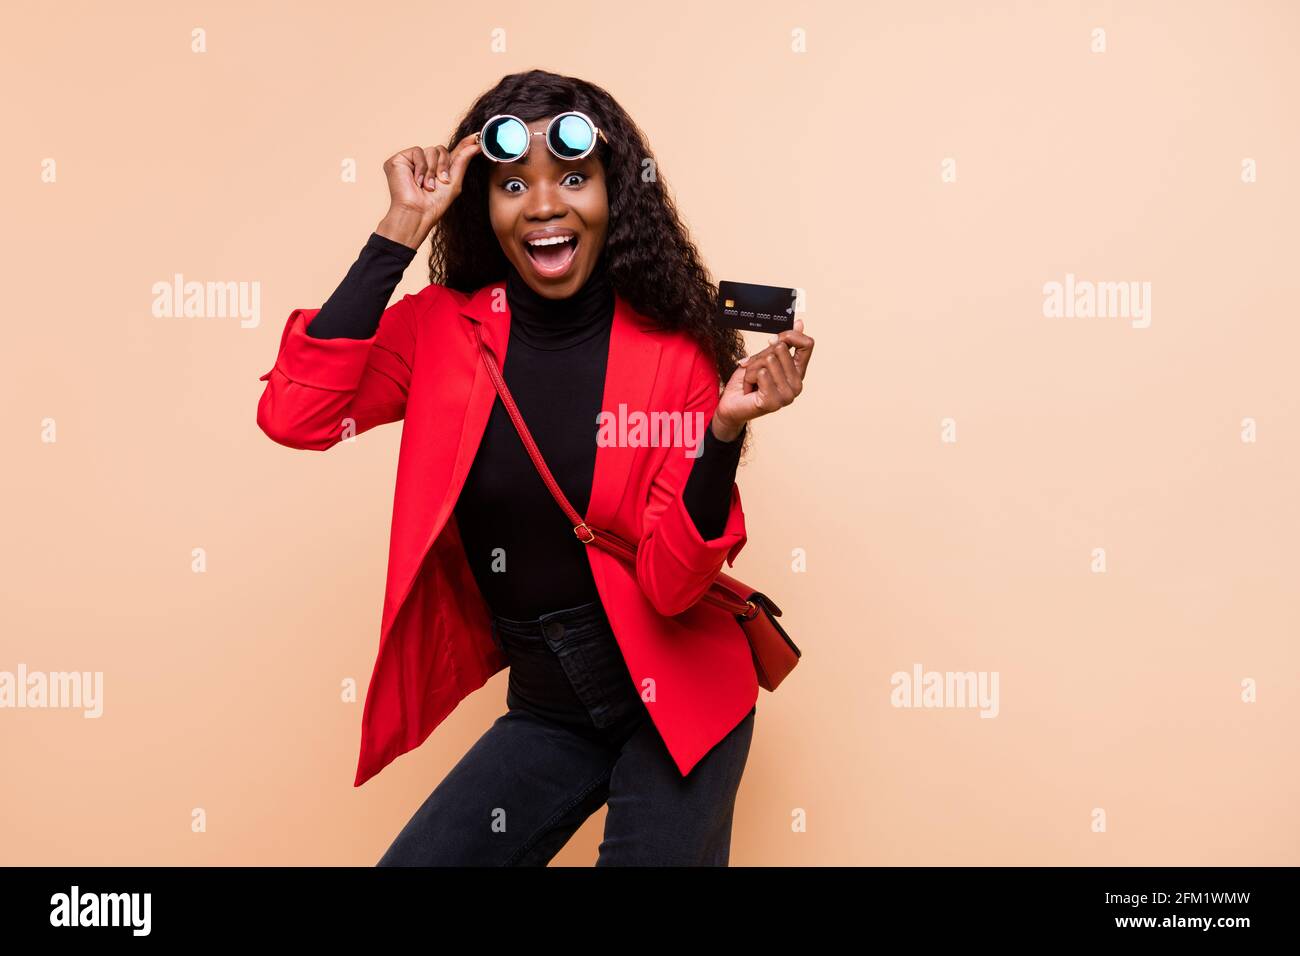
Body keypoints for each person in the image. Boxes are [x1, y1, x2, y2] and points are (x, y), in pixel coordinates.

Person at [256, 69, 813, 866]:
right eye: (513, 183)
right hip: (550, 703)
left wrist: (722, 432)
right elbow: (295, 414)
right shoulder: (440, 332)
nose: (545, 204)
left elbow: (669, 583)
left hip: (677, 694)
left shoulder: (674, 356)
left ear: (613, 196)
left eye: (574, 178)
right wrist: (400, 229)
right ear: (484, 205)